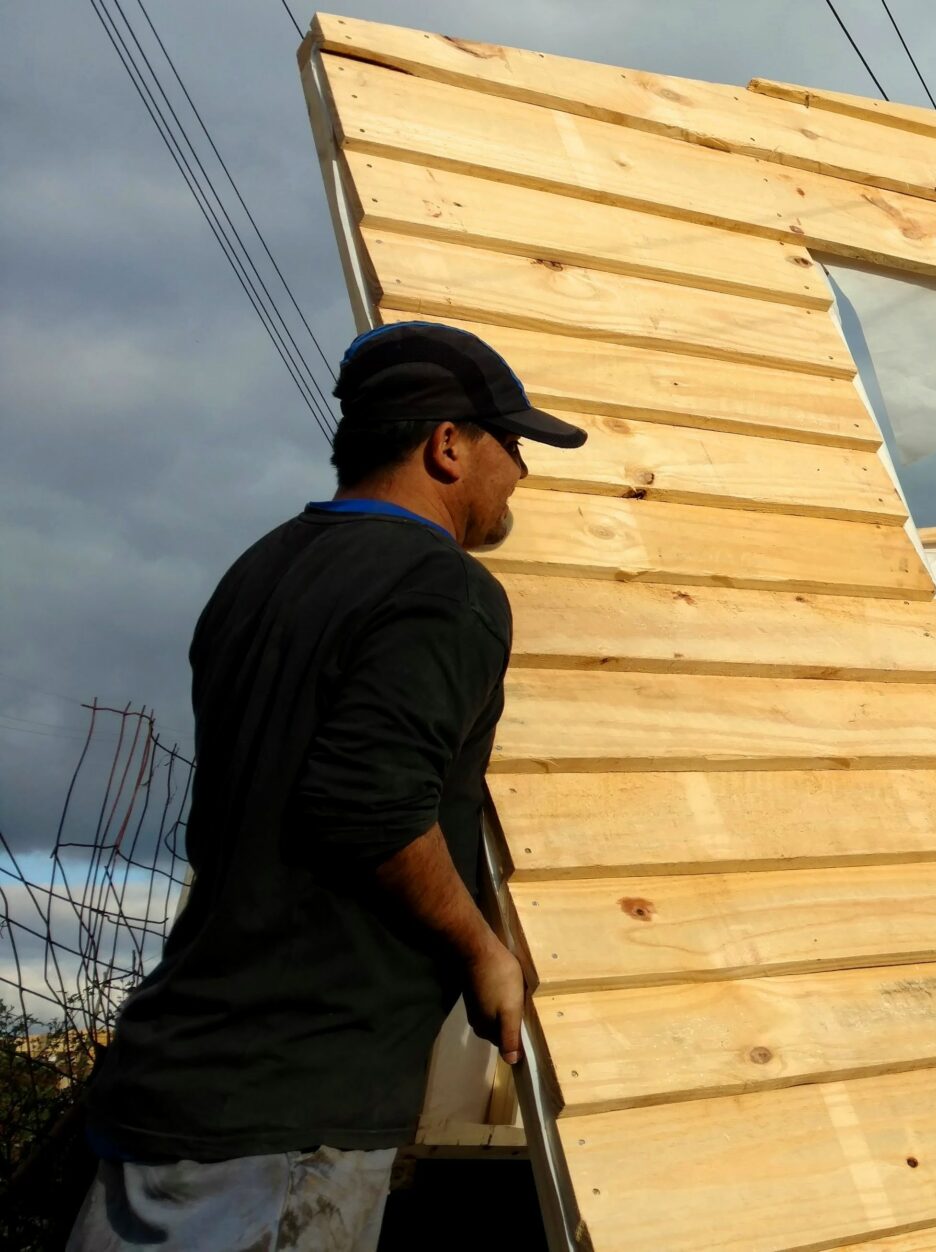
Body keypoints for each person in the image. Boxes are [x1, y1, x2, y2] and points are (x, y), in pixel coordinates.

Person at [73, 322, 588, 1252]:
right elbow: (365, 805)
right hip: (288, 1122)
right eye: (511, 444)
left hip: (178, 1079)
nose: (521, 471)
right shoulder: (444, 588)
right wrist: (481, 947)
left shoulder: (259, 570)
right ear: (447, 445)